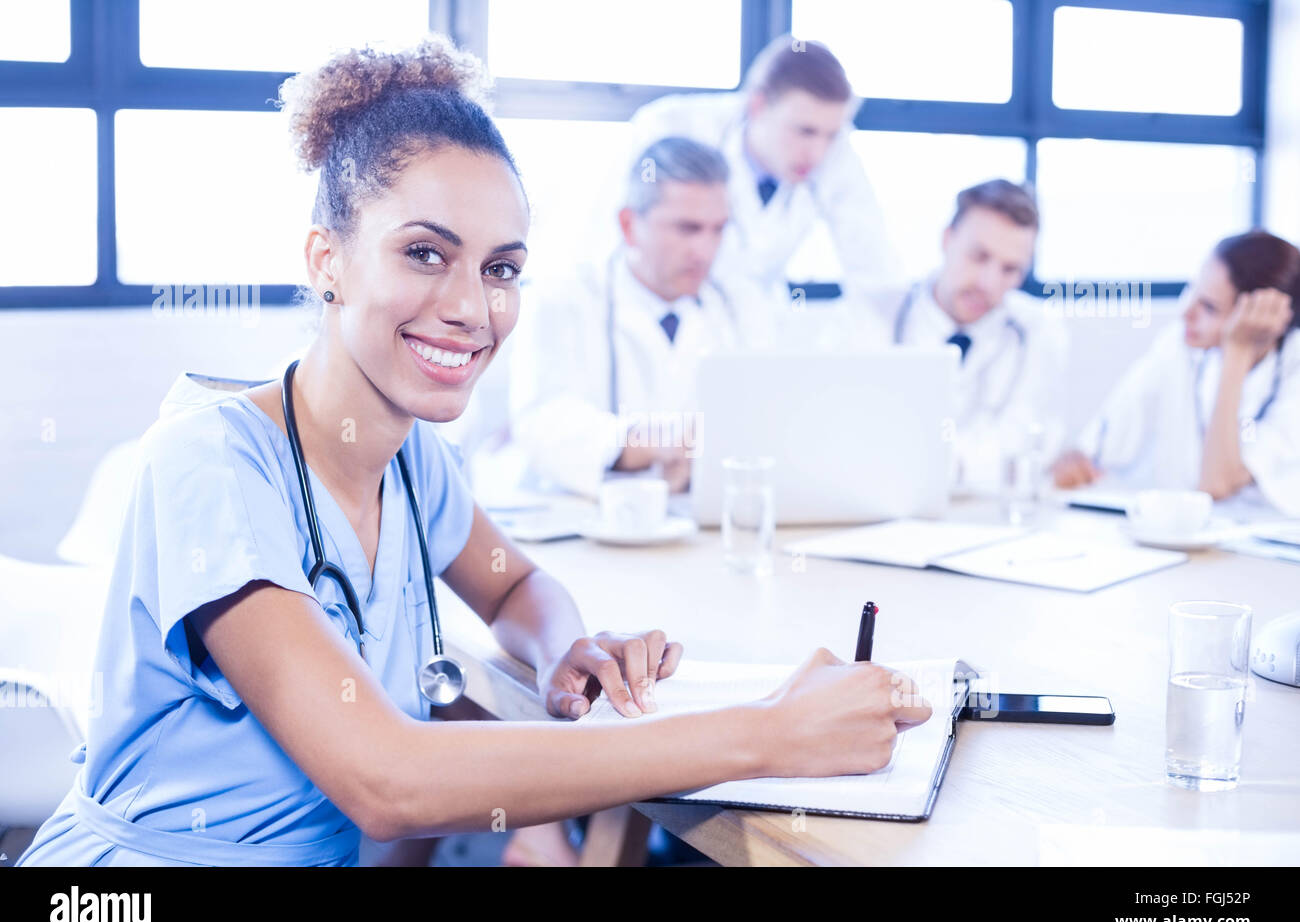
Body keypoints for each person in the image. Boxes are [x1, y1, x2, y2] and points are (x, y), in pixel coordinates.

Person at [16, 36, 931, 868]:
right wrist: (769, 733)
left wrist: (565, 646)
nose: (472, 306)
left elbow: (513, 586)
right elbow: (388, 784)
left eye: (500, 269)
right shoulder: (212, 465)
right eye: (424, 253)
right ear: (325, 260)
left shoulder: (414, 467)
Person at [509, 136, 770, 498]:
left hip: (695, 520)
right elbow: (541, 423)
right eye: (687, 228)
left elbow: (766, 423)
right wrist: (645, 444)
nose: (705, 250)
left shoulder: (740, 307)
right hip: (578, 522)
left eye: (718, 229)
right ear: (629, 225)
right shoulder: (564, 297)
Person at [623, 35, 897, 309]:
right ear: (758, 105)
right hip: (656, 314)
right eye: (804, 131)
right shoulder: (671, 126)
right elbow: (613, 249)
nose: (817, 153)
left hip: (753, 319)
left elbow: (875, 271)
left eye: (831, 135)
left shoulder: (835, 151)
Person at [1053, 230, 1300, 517]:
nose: (1186, 312)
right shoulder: (1178, 346)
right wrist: (1075, 460)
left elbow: (1217, 483)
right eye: (1192, 291)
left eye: (1209, 307)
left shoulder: (1290, 371)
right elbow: (1096, 446)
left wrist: (1237, 352)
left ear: (1263, 317)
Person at [863, 179, 1066, 493]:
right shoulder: (873, 317)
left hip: (985, 515)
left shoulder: (1039, 331)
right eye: (979, 257)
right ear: (947, 240)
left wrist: (932, 466)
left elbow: (1023, 443)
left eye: (1010, 269)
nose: (989, 283)